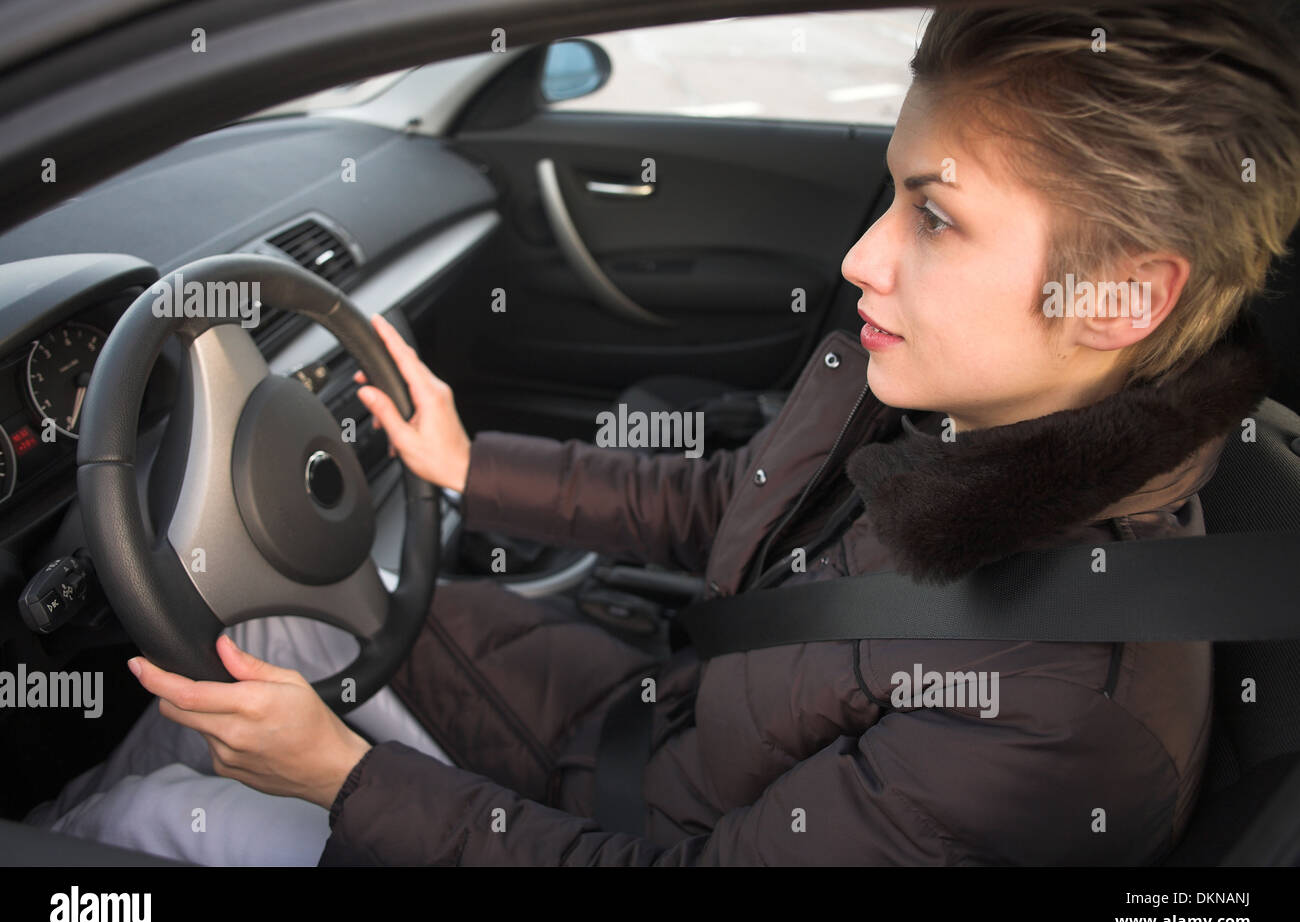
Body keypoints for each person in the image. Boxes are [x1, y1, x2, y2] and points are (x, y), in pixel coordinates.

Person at [26, 0, 1299, 864]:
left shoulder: (1064, 717)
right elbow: (727, 502)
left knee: (168, 815)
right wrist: (472, 464)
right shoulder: (926, 382)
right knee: (263, 627)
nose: (863, 258)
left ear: (1124, 296)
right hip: (639, 718)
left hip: (630, 818)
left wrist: (342, 781)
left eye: (935, 216)